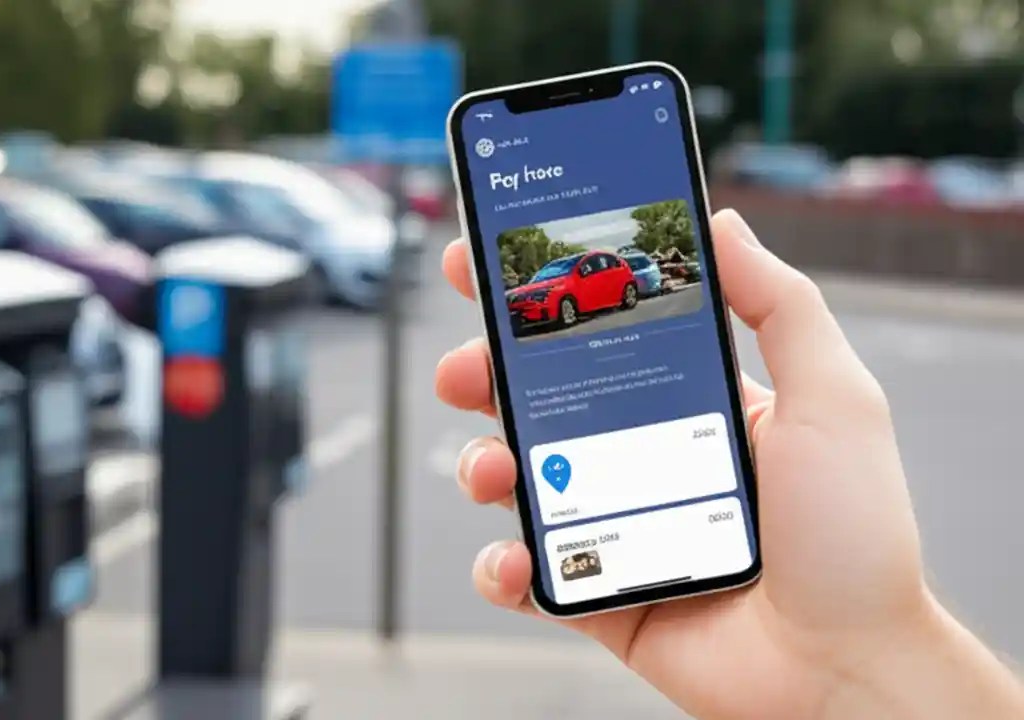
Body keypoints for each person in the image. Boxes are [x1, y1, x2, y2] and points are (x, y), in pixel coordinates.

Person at [434, 209, 1024, 719]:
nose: (538, 291)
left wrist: (862, 656)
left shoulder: (603, 278)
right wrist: (857, 672)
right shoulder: (541, 289)